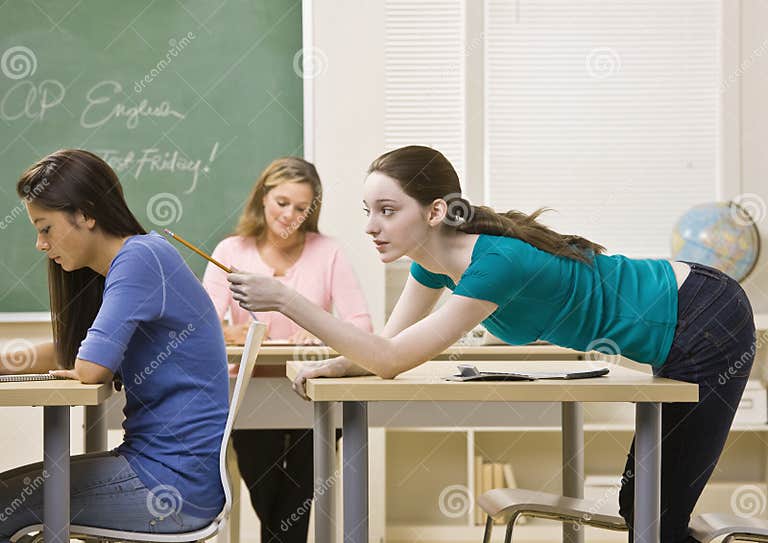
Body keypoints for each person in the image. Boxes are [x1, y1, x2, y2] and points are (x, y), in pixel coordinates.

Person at [227, 145, 756, 542]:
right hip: (680, 321)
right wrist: (336, 367)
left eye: (387, 211)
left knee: (654, 517)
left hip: (706, 317)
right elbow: (384, 345)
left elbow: (389, 361)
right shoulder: (432, 262)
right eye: (368, 211)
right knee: (644, 509)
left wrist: (286, 300)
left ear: (434, 212)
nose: (371, 226)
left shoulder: (494, 264)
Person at [0, 149, 229, 540]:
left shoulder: (139, 258)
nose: (40, 244)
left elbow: (91, 369)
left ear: (86, 214)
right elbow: (71, 352)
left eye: (45, 228)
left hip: (171, 487)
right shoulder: (132, 261)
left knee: (4, 505)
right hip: (161, 470)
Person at [202, 156, 372, 543]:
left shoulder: (327, 251)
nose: (289, 216)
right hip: (247, 397)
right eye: (282, 203)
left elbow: (362, 327)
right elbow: (201, 325)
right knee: (274, 495)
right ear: (263, 197)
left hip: (313, 395)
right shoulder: (232, 250)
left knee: (296, 492)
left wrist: (322, 333)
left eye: (301, 208)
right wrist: (232, 333)